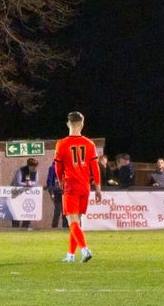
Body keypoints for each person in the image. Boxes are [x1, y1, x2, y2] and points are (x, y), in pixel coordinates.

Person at [53, 111, 102, 263]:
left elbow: (57, 166)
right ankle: (70, 255)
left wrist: (60, 180)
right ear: (82, 124)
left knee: (72, 221)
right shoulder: (90, 144)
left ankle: (85, 249)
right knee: (76, 222)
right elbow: (95, 167)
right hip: (85, 186)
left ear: (68, 124)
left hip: (71, 185)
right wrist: (98, 188)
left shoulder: (62, 143)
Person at [11, 158, 39, 228]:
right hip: (17, 193)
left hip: (27, 194)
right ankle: (15, 226)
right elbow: (17, 182)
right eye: (33, 166)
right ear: (29, 165)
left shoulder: (35, 171)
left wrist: (31, 183)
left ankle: (25, 226)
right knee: (16, 210)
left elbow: (36, 182)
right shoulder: (20, 170)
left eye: (36, 166)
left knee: (27, 210)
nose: (34, 168)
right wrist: (26, 184)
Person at [45, 161, 65, 229]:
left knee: (65, 211)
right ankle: (54, 226)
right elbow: (49, 181)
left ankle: (65, 227)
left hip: (65, 192)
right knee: (58, 210)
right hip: (56, 191)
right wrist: (51, 193)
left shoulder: (66, 166)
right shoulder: (53, 167)